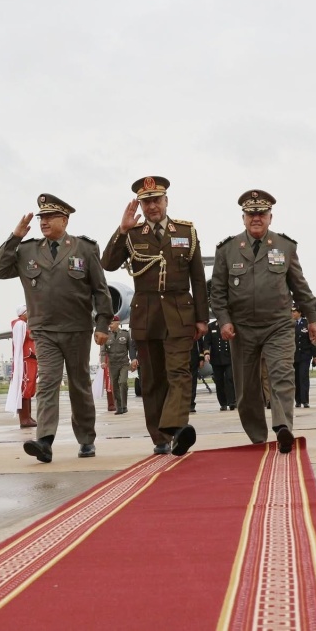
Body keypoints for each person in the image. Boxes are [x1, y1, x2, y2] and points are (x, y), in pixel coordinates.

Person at [0, 193, 113, 463]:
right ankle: (44, 441)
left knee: (79, 385)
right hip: (44, 330)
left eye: (49, 217)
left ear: (64, 219)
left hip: (77, 329)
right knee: (47, 382)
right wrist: (15, 237)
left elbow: (100, 290)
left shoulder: (84, 249)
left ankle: (86, 439)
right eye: (41, 218)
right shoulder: (26, 250)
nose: (43, 222)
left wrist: (102, 323)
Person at [101, 176, 208, 456]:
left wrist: (201, 318)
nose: (151, 207)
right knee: (152, 379)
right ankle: (159, 436)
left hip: (179, 313)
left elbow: (198, 279)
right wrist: (121, 230)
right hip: (146, 315)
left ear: (166, 201)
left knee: (180, 372)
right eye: (146, 202)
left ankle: (176, 427)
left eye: (156, 200)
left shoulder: (187, 232)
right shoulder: (132, 234)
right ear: (141, 205)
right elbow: (108, 263)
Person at [210, 189, 316, 453]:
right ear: (243, 218)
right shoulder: (227, 250)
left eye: (261, 214)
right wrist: (223, 320)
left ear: (270, 217)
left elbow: (300, 287)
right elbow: (218, 292)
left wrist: (313, 317)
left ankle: (283, 428)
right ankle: (258, 436)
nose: (256, 218)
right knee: (247, 388)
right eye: (251, 214)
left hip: (278, 326)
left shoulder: (285, 246)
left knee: (282, 374)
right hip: (242, 329)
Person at [6, 304, 37, 428]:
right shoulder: (20, 325)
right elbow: (31, 335)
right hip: (25, 360)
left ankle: (28, 417)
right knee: (25, 389)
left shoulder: (25, 325)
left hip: (31, 359)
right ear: (24, 313)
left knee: (29, 389)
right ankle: (24, 419)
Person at [100, 315, 136, 415]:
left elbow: (131, 348)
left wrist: (133, 360)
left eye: (111, 323)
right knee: (115, 385)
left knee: (123, 382)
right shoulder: (106, 335)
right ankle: (119, 407)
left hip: (124, 363)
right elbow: (103, 351)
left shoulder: (125, 334)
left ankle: (124, 405)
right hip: (112, 364)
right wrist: (103, 361)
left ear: (118, 323)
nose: (110, 325)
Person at [202, 318, 235, 410]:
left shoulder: (230, 325)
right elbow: (206, 342)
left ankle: (232, 401)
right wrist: (206, 353)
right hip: (217, 359)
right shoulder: (211, 326)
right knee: (219, 381)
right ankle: (223, 403)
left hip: (229, 357)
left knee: (230, 378)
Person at [292, 305, 316, 408]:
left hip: (305, 355)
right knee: (295, 379)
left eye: (294, 311)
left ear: (299, 312)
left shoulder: (307, 324)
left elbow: (312, 340)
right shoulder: (290, 324)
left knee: (303, 378)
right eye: (291, 311)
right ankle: (297, 400)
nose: (292, 313)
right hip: (293, 356)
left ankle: (305, 400)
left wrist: (315, 355)